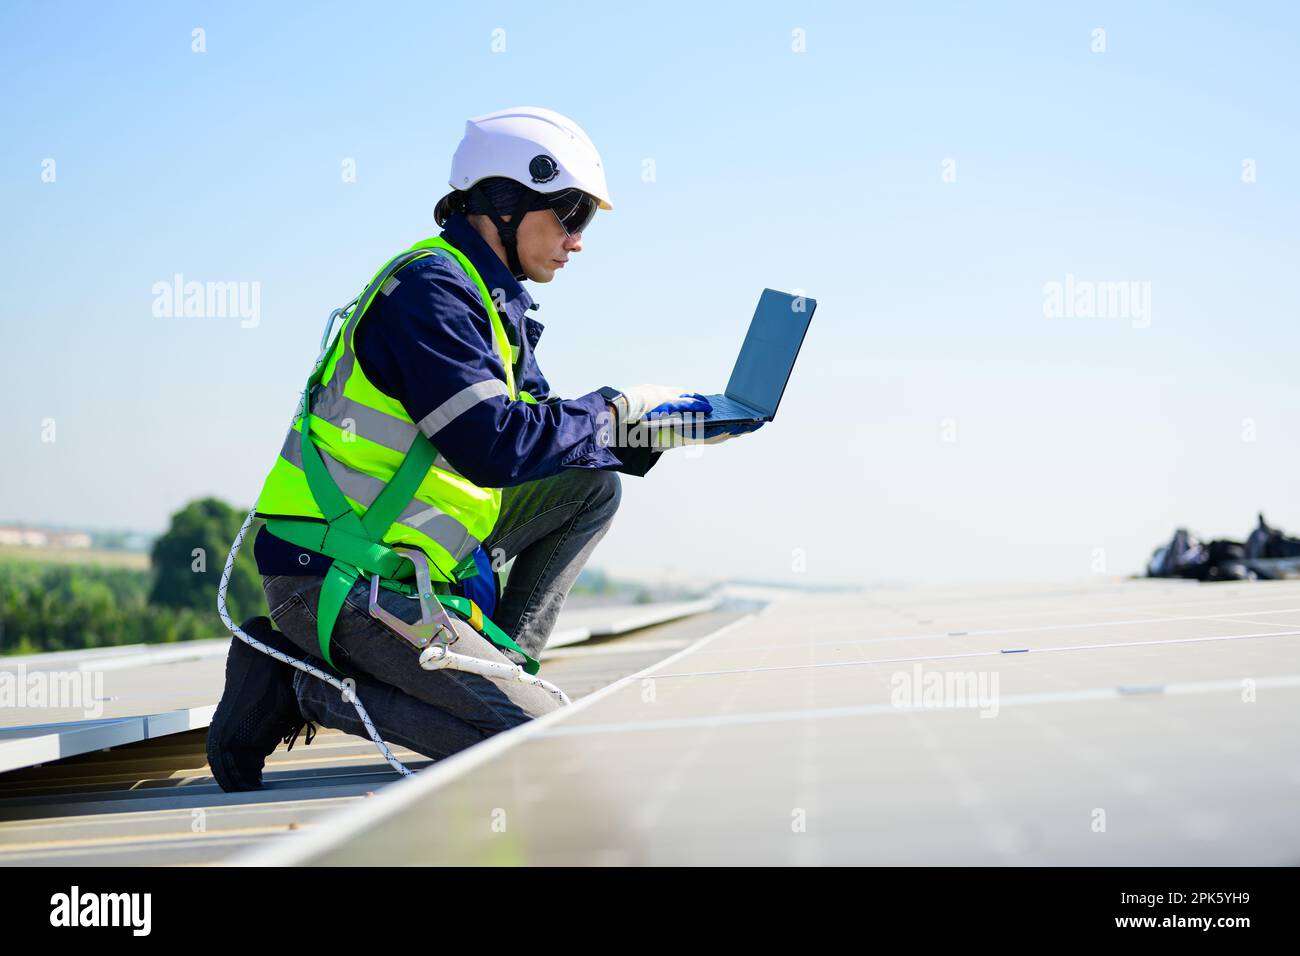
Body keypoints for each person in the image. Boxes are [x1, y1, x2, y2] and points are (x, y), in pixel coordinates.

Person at [207, 107, 759, 791]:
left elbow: (546, 442)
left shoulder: (494, 305)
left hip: (399, 558)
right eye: (571, 214)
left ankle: (494, 674)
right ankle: (300, 686)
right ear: (503, 201)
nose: (578, 241)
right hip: (335, 574)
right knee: (537, 748)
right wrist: (616, 412)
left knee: (592, 486)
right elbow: (492, 446)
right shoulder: (430, 295)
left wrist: (658, 426)